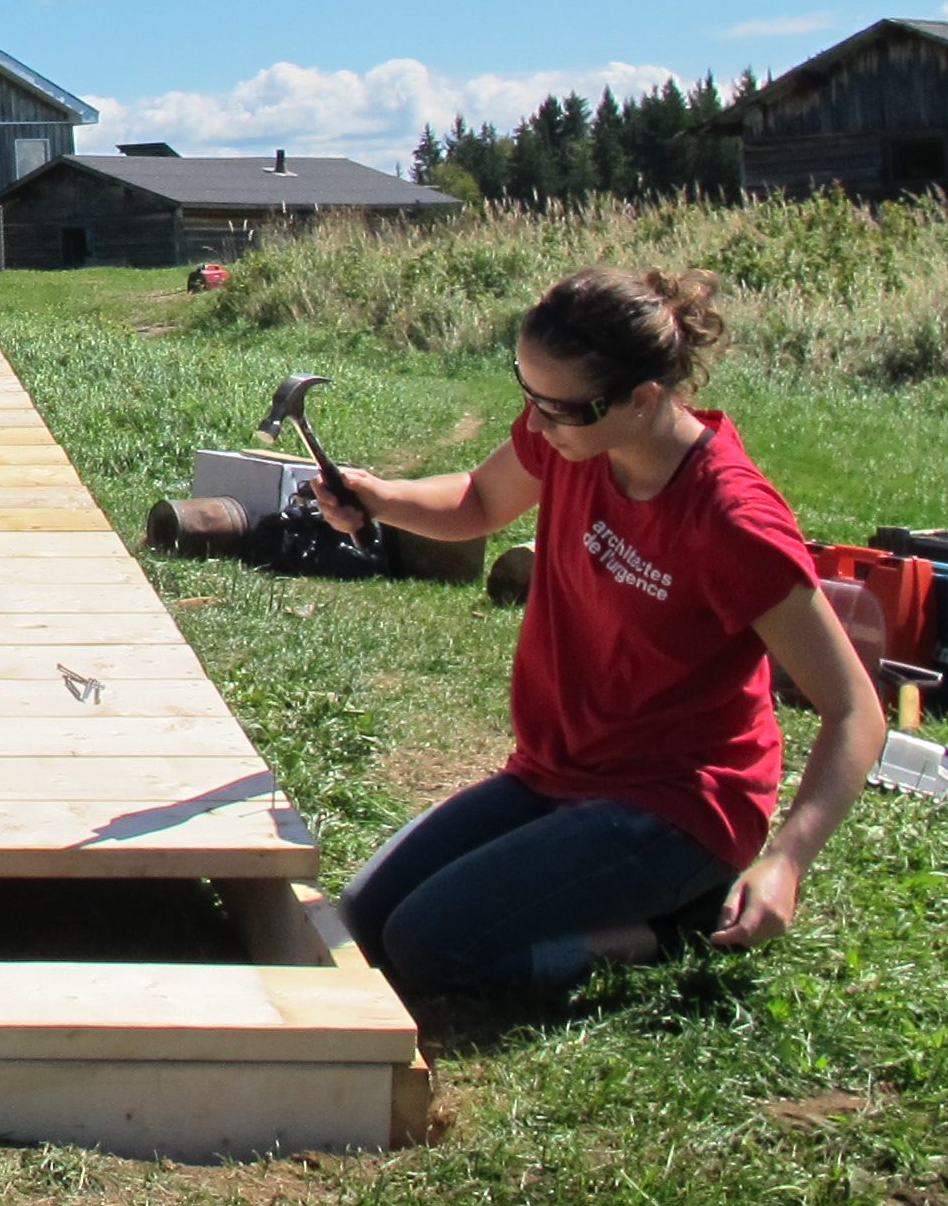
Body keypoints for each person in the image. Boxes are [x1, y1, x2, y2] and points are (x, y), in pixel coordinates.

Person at [317, 268, 886, 998]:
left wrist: (789, 861)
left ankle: (659, 937)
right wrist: (381, 497)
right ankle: (628, 905)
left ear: (643, 399)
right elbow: (481, 499)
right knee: (367, 919)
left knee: (431, 947)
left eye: (555, 407)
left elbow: (853, 709)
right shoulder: (573, 437)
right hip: (555, 774)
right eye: (526, 392)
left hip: (677, 805)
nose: (536, 422)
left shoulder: (733, 523)